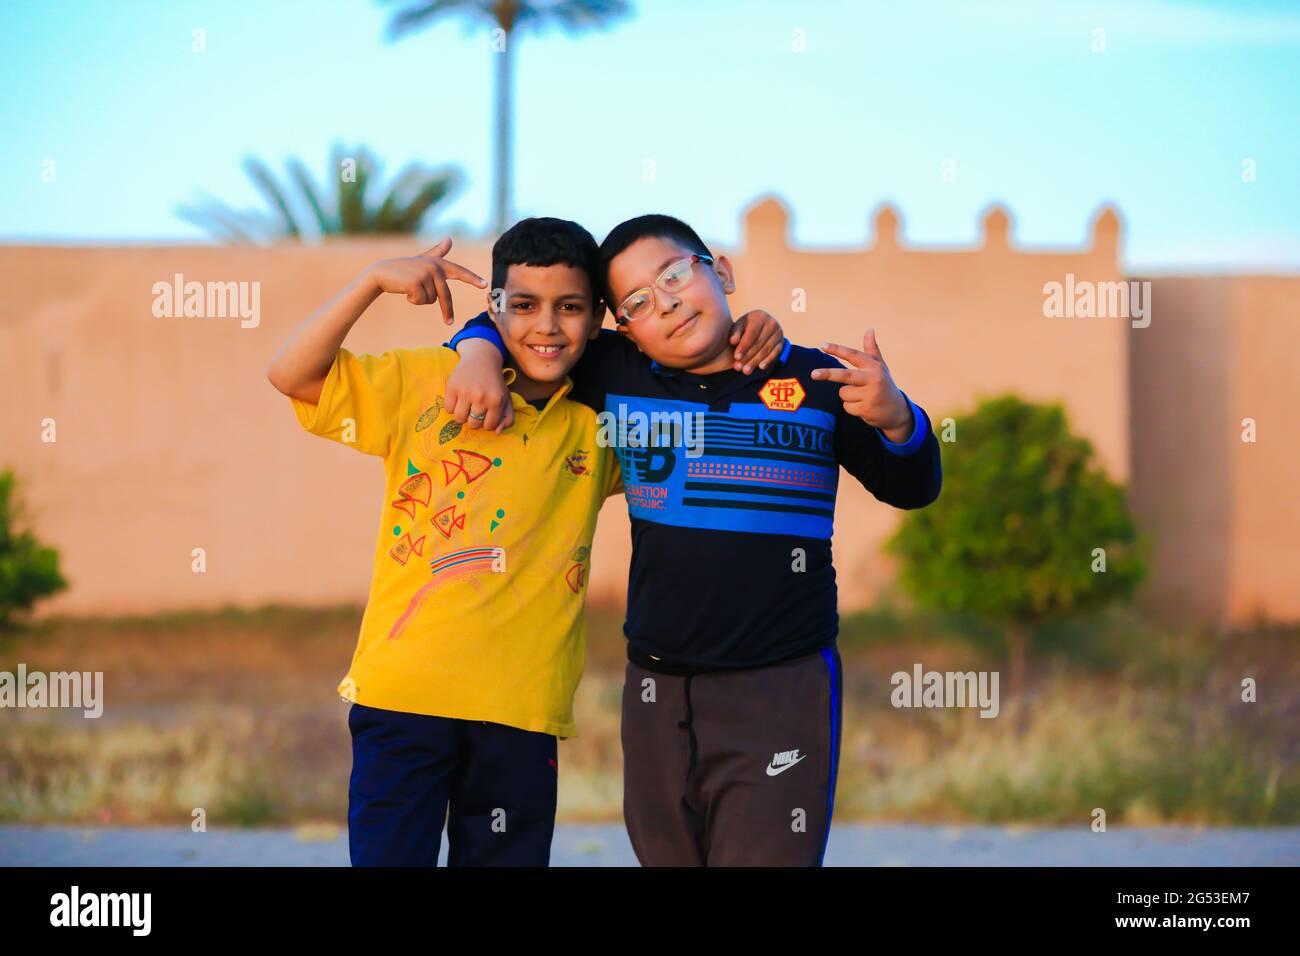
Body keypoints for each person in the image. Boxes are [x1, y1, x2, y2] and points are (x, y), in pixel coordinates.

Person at [447, 214, 942, 866]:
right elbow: (532, 330)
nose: (668, 303)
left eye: (676, 275)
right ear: (621, 328)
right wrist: (477, 351)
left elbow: (911, 486)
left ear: (722, 270)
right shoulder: (617, 375)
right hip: (655, 691)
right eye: (638, 303)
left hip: (781, 687)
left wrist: (898, 417)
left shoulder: (817, 383)